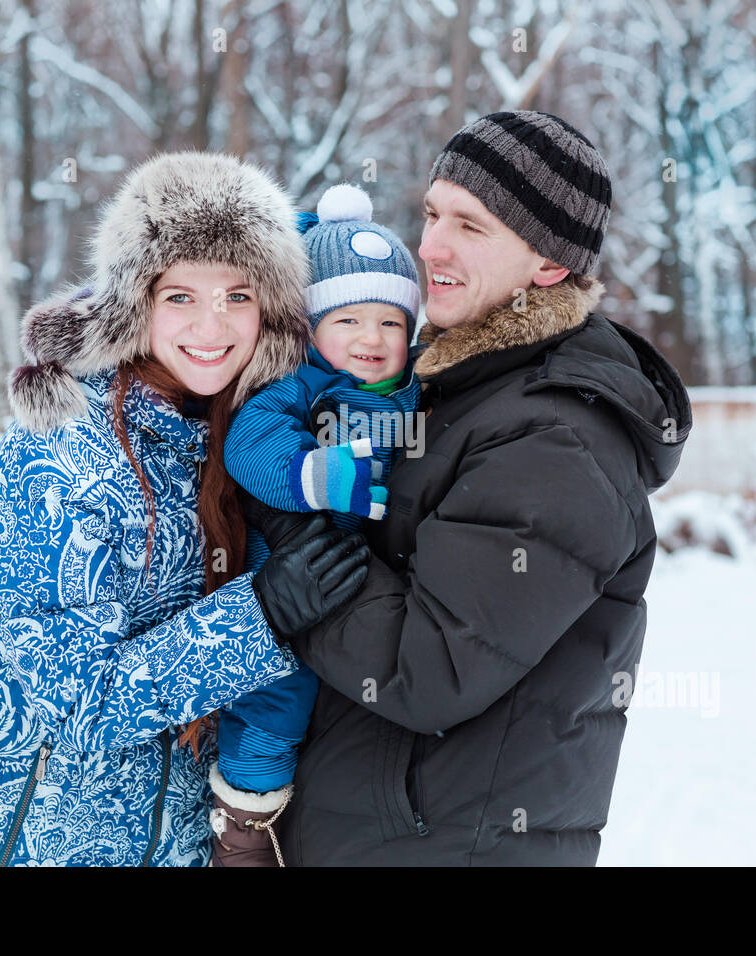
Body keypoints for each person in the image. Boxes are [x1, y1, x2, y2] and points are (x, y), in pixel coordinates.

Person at [0, 151, 369, 867]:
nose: (212, 327)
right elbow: (79, 702)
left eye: (238, 296)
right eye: (180, 296)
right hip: (18, 844)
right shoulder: (62, 453)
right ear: (134, 304)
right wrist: (262, 614)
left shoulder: (237, 439)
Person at [261, 110, 695, 865]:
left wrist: (290, 525)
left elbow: (425, 670)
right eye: (431, 213)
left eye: (472, 225)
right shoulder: (454, 386)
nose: (430, 246)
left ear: (549, 266)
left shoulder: (558, 438)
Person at [203, 183, 423, 865]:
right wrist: (314, 476)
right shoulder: (301, 385)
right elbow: (249, 447)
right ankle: (244, 823)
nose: (371, 339)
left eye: (390, 323)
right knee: (278, 701)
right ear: (312, 328)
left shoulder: (421, 387)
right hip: (294, 579)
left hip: (368, 591)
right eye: (349, 321)